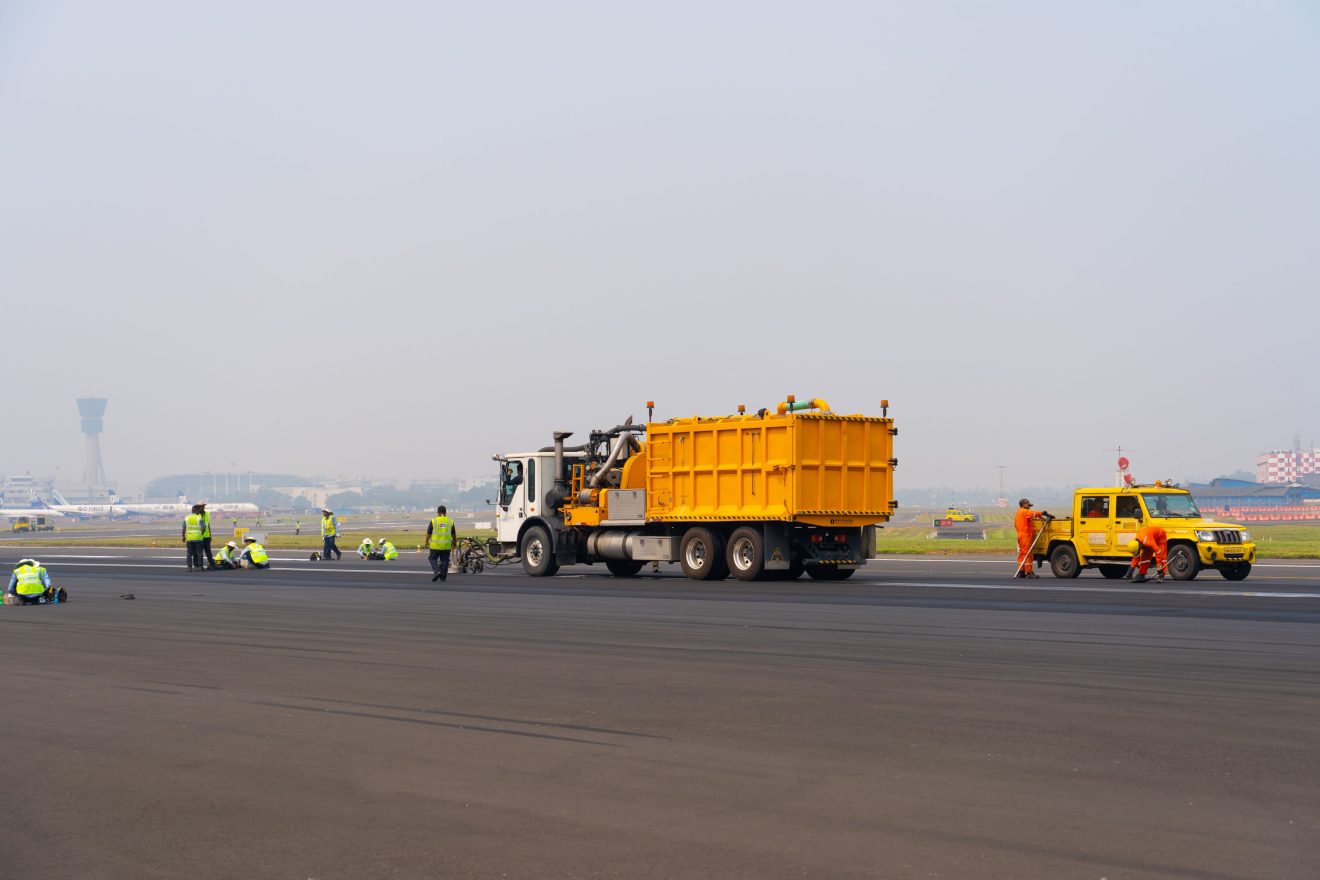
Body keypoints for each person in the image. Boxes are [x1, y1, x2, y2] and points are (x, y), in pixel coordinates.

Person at [1013, 498, 1049, 578]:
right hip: (1025, 536)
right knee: (1028, 554)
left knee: (1022, 553)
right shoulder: (1024, 511)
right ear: (1023, 504)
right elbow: (1033, 513)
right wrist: (1042, 513)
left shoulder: (1018, 513)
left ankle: (1021, 571)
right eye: (1028, 505)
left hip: (1020, 535)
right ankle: (1029, 572)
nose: (1029, 506)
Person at [426, 505, 457, 582]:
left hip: (435, 546)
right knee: (445, 561)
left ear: (437, 512)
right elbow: (453, 533)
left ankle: (436, 571)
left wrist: (426, 541)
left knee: (432, 558)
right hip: (446, 546)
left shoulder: (434, 521)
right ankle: (443, 578)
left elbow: (429, 533)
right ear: (446, 512)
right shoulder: (450, 521)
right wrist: (454, 541)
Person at [182, 504, 207, 571]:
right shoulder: (199, 518)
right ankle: (200, 566)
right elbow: (204, 527)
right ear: (196, 510)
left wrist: (183, 536)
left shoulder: (186, 518)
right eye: (199, 510)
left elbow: (184, 528)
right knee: (199, 553)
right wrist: (201, 533)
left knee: (189, 553)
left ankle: (189, 567)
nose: (199, 511)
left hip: (189, 538)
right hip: (198, 538)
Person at [199, 503, 216, 569]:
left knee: (208, 551)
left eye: (203, 506)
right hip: (200, 537)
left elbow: (208, 524)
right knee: (200, 552)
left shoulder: (207, 514)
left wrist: (210, 535)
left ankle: (212, 565)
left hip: (207, 536)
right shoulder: (197, 515)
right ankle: (200, 566)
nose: (203, 508)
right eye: (201, 506)